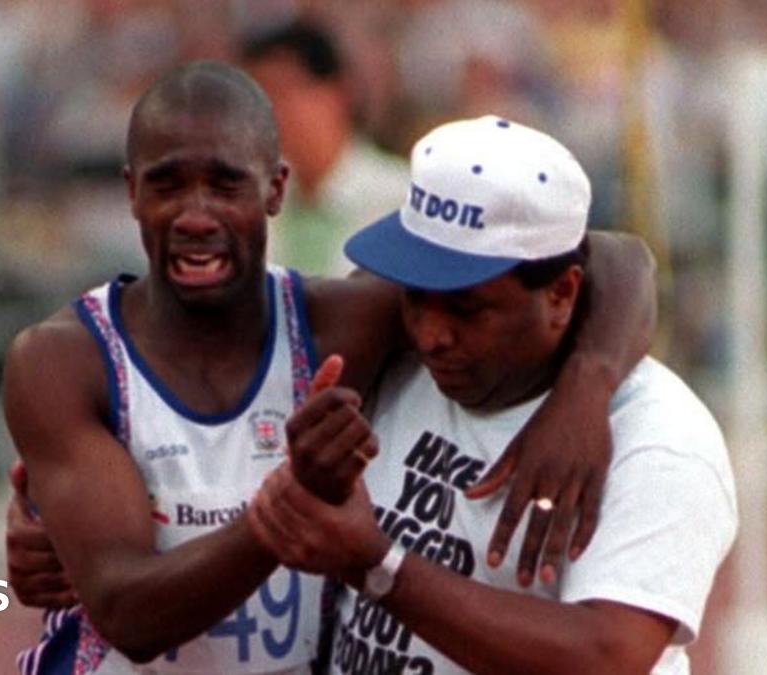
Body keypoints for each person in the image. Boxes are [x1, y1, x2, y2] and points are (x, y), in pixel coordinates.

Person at [3, 61, 655, 674]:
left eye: (226, 184)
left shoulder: (339, 323)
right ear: (130, 192)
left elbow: (616, 258)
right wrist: (294, 503)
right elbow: (129, 613)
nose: (196, 215)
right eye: (167, 183)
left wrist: (584, 390)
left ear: (277, 188)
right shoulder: (66, 359)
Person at [246, 117, 737, 674]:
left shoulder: (658, 438)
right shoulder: (397, 356)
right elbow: (624, 257)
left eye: (467, 309)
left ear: (561, 293)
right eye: (414, 297)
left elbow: (607, 655)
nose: (431, 334)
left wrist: (379, 565)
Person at [241, 19, 409, 277]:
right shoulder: (256, 203)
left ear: (338, 91)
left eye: (282, 90)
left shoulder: (400, 197)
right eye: (258, 97)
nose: (270, 110)